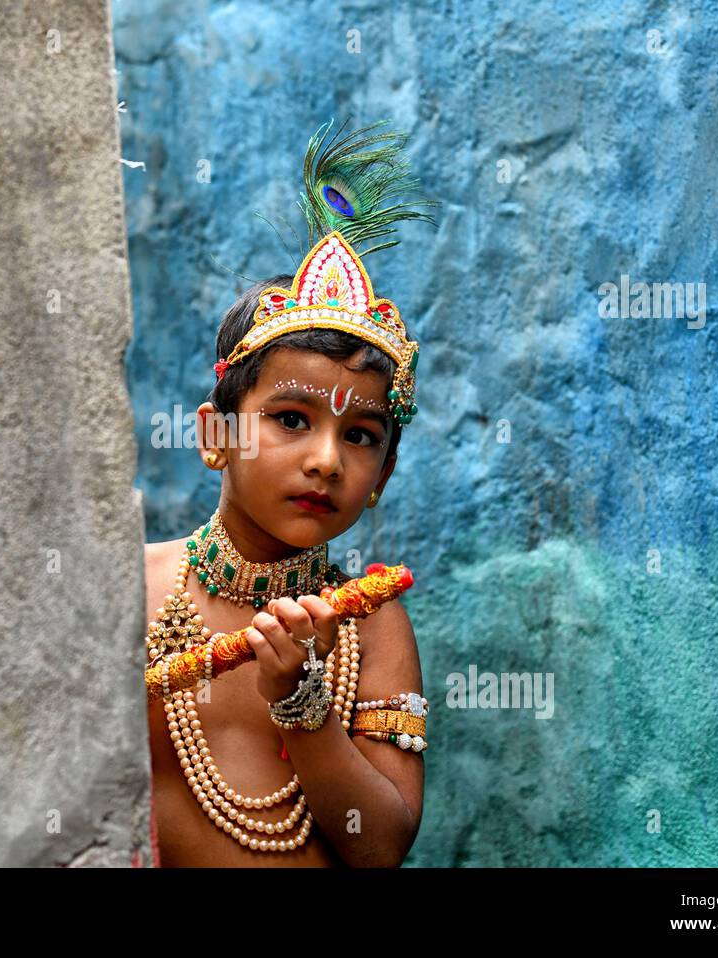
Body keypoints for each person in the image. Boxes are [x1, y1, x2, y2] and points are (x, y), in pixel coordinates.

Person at [142, 119, 438, 867]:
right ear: (215, 438)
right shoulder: (132, 591)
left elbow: (382, 849)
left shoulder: (373, 628)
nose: (326, 460)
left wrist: (303, 702)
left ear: (385, 477)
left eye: (361, 436)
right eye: (290, 420)